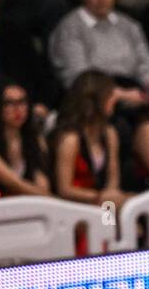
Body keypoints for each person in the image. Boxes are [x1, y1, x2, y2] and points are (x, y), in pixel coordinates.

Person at [50, 69, 128, 210]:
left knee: (139, 205)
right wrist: (100, 197)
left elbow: (112, 181)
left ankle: (112, 226)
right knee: (118, 210)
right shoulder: (70, 139)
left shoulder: (109, 133)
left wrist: (109, 197)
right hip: (74, 205)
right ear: (96, 100)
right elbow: (64, 189)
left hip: (103, 203)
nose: (114, 100)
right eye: (110, 95)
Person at [0, 81, 51, 198]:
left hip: (29, 204)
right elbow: (13, 183)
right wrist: (51, 198)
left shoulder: (36, 138)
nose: (17, 109)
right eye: (9, 103)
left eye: (22, 102)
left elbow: (42, 182)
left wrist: (46, 195)